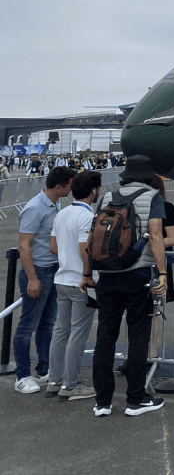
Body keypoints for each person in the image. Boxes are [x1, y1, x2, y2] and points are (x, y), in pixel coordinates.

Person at [92, 155, 168, 417]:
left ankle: (102, 401)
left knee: (105, 337)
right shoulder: (152, 197)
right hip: (137, 273)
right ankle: (136, 398)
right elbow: (156, 236)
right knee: (137, 337)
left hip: (106, 274)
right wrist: (163, 273)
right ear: (149, 177)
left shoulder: (105, 198)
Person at [13, 166, 75, 393]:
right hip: (37, 271)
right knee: (27, 325)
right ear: (59, 186)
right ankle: (21, 375)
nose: (72, 188)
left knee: (47, 323)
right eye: (70, 184)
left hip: (51, 269)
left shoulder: (54, 203)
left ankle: (43, 369)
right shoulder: (35, 208)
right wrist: (32, 278)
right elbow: (24, 245)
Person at [46, 170, 103, 401]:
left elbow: (53, 246)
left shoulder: (62, 214)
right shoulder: (88, 216)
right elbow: (84, 250)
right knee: (78, 334)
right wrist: (88, 275)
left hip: (62, 279)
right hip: (81, 280)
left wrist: (68, 255)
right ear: (93, 191)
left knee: (60, 332)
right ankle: (70, 384)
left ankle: (54, 380)